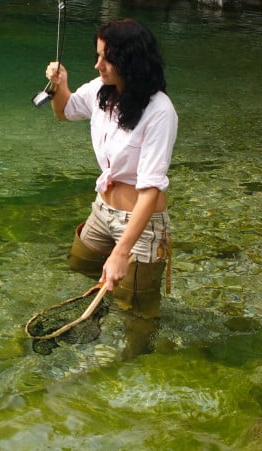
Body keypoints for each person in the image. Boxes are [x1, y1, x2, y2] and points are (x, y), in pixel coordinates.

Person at [44, 18, 178, 327]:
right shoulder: (103, 90)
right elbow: (65, 111)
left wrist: (121, 252)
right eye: (98, 55)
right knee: (80, 266)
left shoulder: (160, 111)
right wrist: (59, 85)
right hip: (102, 211)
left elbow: (150, 191)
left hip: (141, 224)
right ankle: (99, 325)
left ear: (130, 61)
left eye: (106, 57)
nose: (97, 65)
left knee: (137, 309)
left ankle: (135, 364)